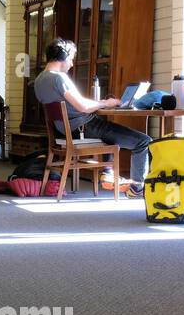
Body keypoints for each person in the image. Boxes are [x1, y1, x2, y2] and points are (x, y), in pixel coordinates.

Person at [33, 38, 150, 197]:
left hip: (64, 131)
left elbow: (76, 103)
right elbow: (83, 106)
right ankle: (137, 188)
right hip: (83, 128)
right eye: (72, 59)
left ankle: (107, 172)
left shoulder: (39, 80)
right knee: (143, 141)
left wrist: (101, 103)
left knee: (111, 131)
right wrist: (105, 103)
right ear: (65, 57)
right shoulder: (59, 78)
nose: (72, 64)